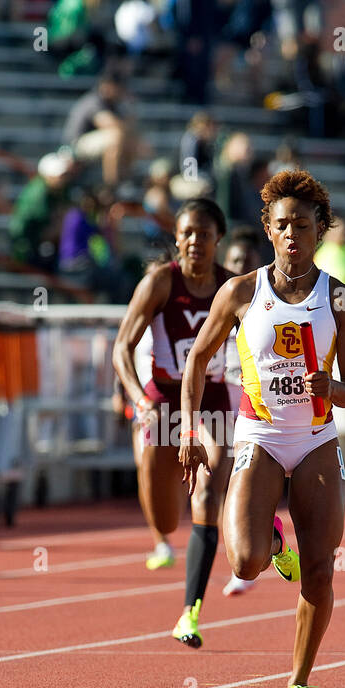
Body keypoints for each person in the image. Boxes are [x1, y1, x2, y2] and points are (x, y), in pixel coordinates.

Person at [180, 169, 345, 688]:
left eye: (303, 226)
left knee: (322, 569)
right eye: (282, 225)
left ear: (320, 232)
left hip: (314, 441)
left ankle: (299, 683)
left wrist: (331, 388)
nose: (292, 235)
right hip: (259, 438)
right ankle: (272, 546)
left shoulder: (343, 302)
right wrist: (189, 430)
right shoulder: (240, 292)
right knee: (245, 559)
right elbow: (196, 358)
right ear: (267, 229)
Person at [112, 199, 235, 647]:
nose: (194, 242)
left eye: (203, 233)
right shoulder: (161, 283)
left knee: (209, 486)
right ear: (176, 239)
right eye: (186, 233)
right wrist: (138, 400)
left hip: (213, 399)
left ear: (217, 238)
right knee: (164, 518)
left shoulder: (231, 286)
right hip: (164, 402)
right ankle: (167, 536)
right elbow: (122, 347)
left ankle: (190, 611)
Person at [220, 226, 263, 597]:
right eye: (234, 260)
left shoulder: (266, 298)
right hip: (219, 401)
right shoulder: (222, 299)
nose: (239, 266)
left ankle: (251, 557)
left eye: (247, 261)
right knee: (219, 483)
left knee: (243, 483)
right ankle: (243, 559)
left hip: (255, 406)